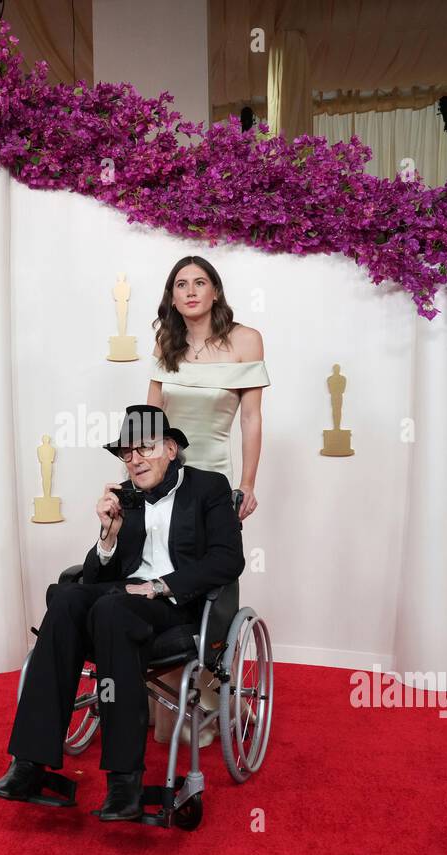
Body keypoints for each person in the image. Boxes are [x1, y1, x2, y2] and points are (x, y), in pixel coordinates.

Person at [0, 405, 245, 822]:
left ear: (170, 448)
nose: (135, 460)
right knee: (67, 597)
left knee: (110, 607)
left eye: (144, 448)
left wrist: (161, 586)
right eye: (127, 453)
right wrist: (108, 535)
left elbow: (227, 559)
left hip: (174, 607)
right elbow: (95, 575)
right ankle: (29, 763)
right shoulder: (126, 498)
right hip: (120, 603)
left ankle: (124, 782)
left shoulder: (208, 487)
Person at [145, 255, 270, 749]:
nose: (191, 291)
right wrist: (132, 478)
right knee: (155, 569)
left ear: (215, 291)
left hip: (214, 480)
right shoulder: (167, 341)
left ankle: (214, 696)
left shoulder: (246, 340)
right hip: (165, 476)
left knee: (211, 581)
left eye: (200, 282)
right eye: (181, 284)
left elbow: (251, 419)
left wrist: (249, 483)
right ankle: (158, 692)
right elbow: (151, 414)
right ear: (172, 296)